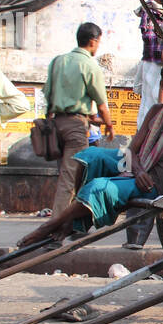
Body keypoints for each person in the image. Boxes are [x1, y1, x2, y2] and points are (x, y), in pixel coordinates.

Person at [18, 56, 163, 246]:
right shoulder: (157, 110)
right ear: (162, 84)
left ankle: (49, 226)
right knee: (87, 156)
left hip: (158, 182)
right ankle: (73, 221)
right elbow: (132, 149)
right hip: (139, 167)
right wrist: (138, 171)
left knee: (97, 188)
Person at [43, 23, 114, 217]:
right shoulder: (90, 65)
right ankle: (56, 228)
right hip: (76, 126)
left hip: (56, 124)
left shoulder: (58, 61)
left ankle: (72, 221)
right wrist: (109, 125)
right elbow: (101, 103)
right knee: (71, 177)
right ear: (93, 41)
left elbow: (47, 93)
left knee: (68, 176)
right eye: (99, 42)